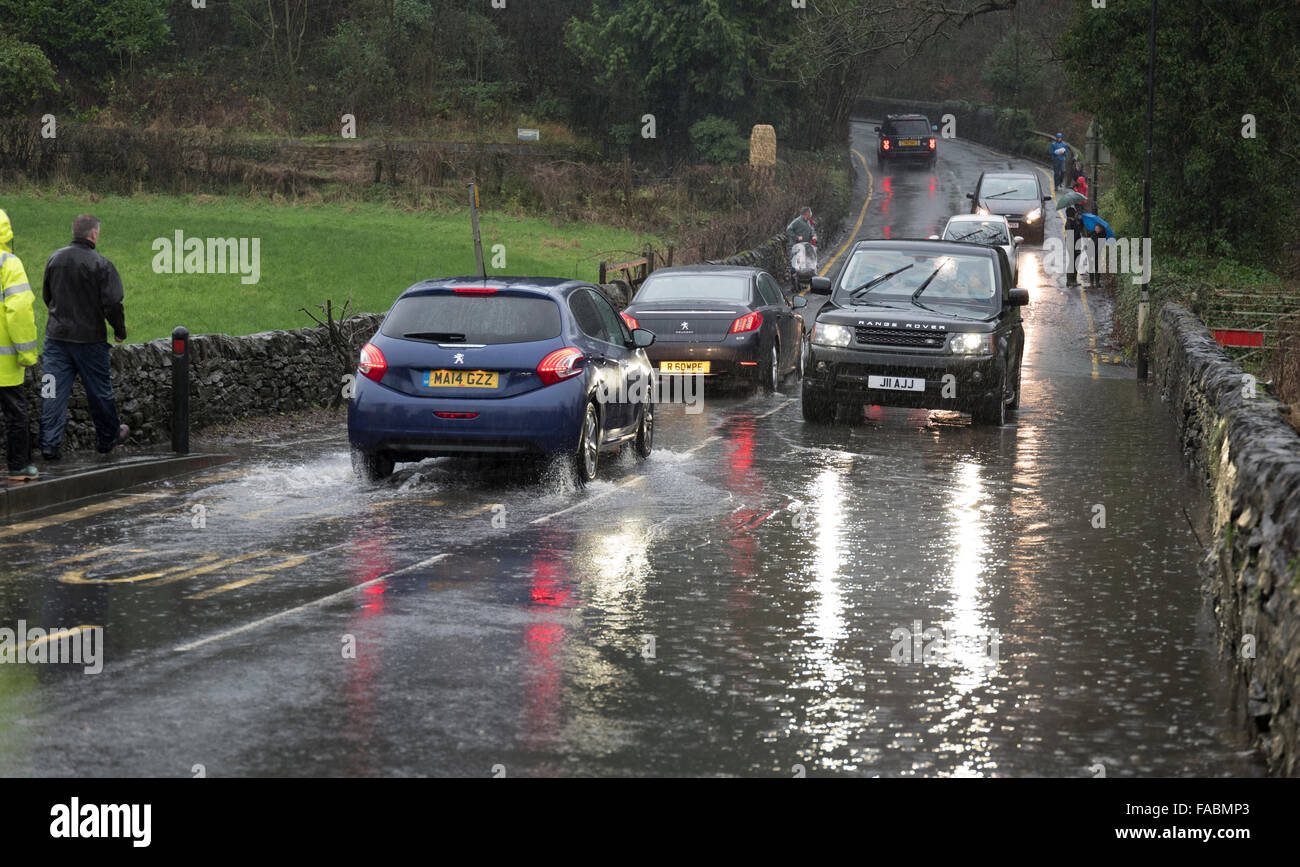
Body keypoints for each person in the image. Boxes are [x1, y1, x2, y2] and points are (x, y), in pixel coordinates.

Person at [40, 214, 130, 459]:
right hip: (90, 340)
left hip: (56, 338)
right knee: (100, 391)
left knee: (51, 392)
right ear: (93, 234)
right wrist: (119, 331)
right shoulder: (102, 264)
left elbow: (47, 297)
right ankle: (107, 439)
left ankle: (49, 445)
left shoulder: (55, 259)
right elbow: (113, 303)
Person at [0, 208, 40, 482]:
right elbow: (20, 311)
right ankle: (17, 467)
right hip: (4, 363)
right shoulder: (8, 263)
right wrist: (27, 352)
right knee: (15, 413)